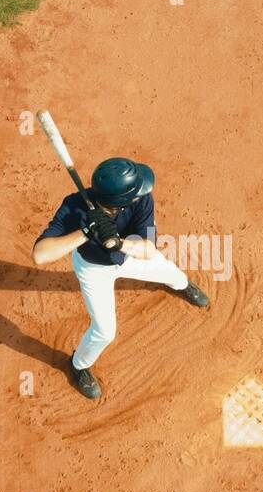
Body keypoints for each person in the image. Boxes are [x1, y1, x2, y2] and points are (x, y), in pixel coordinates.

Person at [32, 157, 209, 399]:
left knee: (172, 273)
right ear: (121, 200)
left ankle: (184, 286)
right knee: (104, 331)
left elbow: (148, 249)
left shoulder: (143, 199)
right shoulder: (74, 206)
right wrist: (86, 232)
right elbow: (40, 255)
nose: (143, 191)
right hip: (93, 269)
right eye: (136, 191)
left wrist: (118, 243)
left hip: (131, 256)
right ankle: (79, 365)